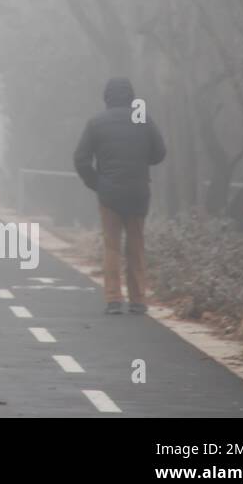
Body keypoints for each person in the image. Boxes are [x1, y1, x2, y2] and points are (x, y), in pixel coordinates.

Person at [73, 77, 166, 315]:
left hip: (109, 194)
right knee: (136, 245)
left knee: (111, 246)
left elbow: (81, 158)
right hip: (138, 192)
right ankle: (138, 300)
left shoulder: (96, 123)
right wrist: (142, 161)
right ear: (131, 96)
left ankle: (113, 299)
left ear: (107, 97)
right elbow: (159, 153)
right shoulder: (143, 119)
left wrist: (96, 183)